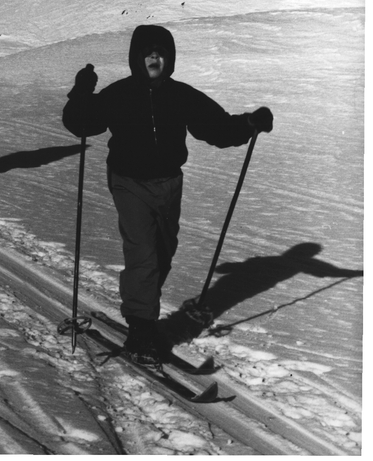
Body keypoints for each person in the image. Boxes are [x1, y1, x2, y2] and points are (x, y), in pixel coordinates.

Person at [62, 24, 274, 366]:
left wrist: (249, 123)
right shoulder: (120, 94)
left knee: (162, 253)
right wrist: (82, 91)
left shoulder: (181, 95)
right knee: (144, 254)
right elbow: (82, 122)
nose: (154, 57)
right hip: (129, 182)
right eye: (148, 52)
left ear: (170, 58)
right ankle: (140, 330)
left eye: (161, 52)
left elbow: (216, 127)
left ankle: (142, 310)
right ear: (136, 57)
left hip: (170, 184)